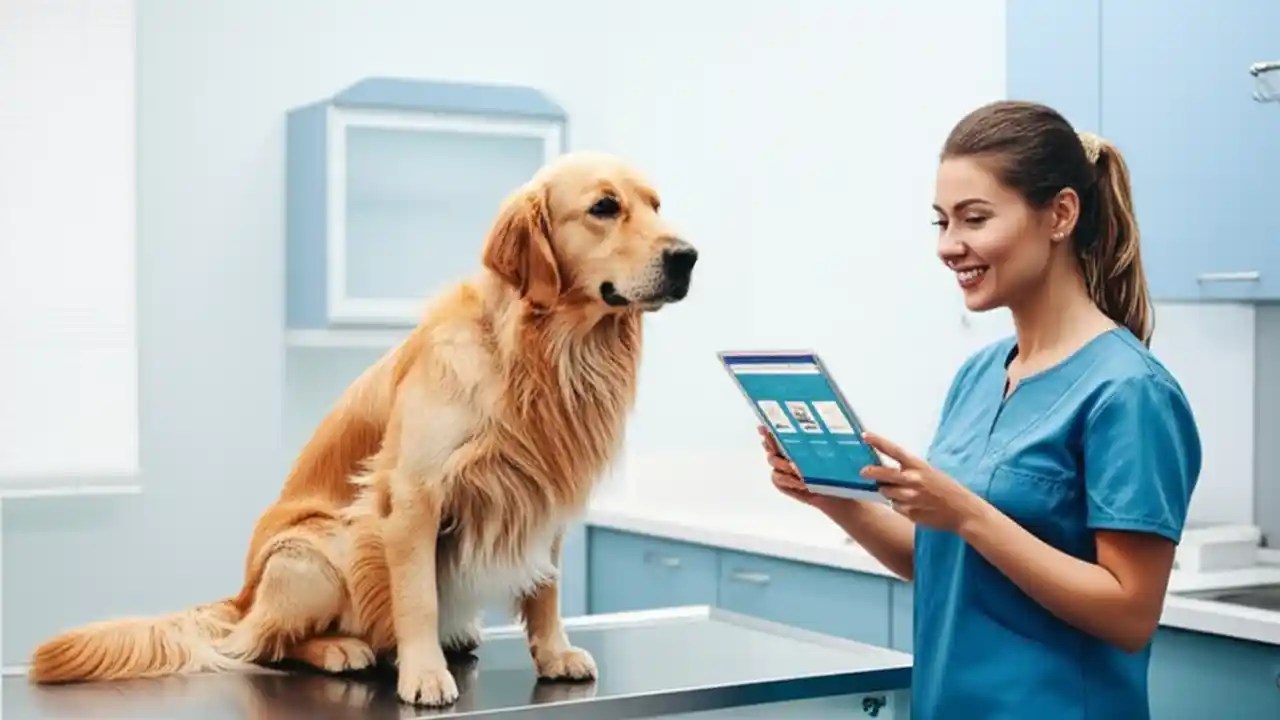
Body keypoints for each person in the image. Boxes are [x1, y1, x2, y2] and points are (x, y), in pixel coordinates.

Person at [761, 100, 1201, 720]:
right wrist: (833, 496)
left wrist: (964, 512)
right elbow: (945, 561)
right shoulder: (980, 374)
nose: (949, 246)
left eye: (974, 219)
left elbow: (1129, 613)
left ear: (1061, 214)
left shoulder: (1129, 391)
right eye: (940, 222)